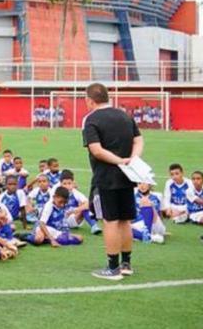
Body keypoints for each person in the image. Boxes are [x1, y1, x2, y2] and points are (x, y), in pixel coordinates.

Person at [81, 82, 143, 281]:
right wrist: (132, 159)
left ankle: (113, 267)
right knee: (125, 220)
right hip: (128, 175)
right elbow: (139, 139)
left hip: (106, 176)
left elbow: (96, 150)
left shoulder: (90, 119)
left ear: (90, 100)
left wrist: (119, 161)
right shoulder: (124, 115)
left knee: (111, 221)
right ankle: (126, 264)